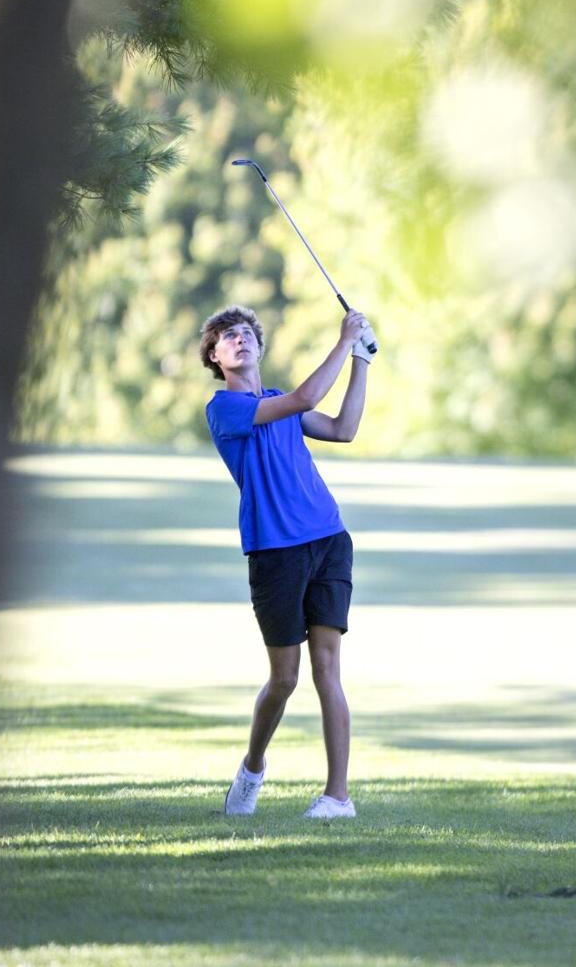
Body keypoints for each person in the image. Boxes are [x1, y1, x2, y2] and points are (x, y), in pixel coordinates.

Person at [199, 304, 375, 819]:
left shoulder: (280, 403)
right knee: (284, 678)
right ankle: (252, 769)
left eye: (247, 333)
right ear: (215, 356)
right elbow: (306, 396)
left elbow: (343, 429)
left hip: (329, 539)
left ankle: (337, 797)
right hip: (275, 551)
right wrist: (345, 339)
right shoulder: (225, 409)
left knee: (327, 668)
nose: (240, 339)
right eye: (228, 337)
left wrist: (362, 359)